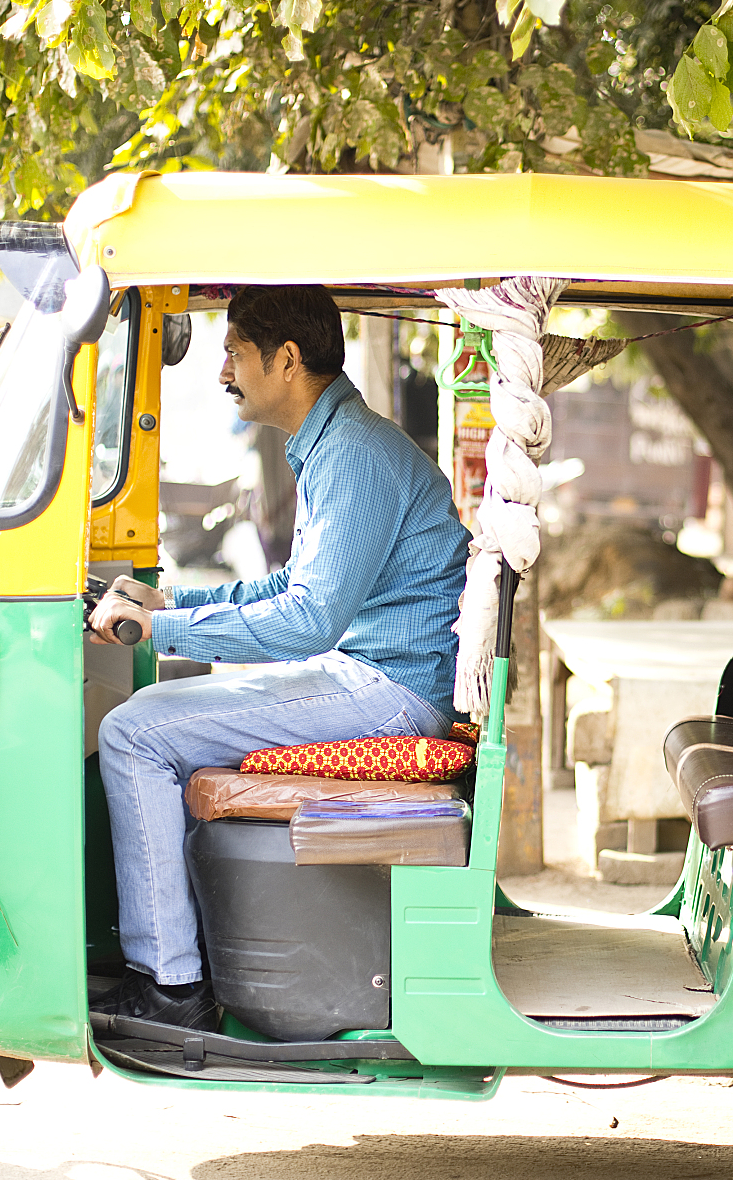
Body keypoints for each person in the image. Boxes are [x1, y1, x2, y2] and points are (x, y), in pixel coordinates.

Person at [87, 285, 469, 1031]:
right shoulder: (335, 443)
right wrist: (174, 607)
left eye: (233, 352)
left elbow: (307, 621)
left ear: (286, 359)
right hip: (374, 674)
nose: (222, 370)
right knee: (155, 719)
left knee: (133, 733)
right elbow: (292, 586)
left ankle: (171, 986)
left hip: (388, 692)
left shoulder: (355, 454)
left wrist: (157, 636)